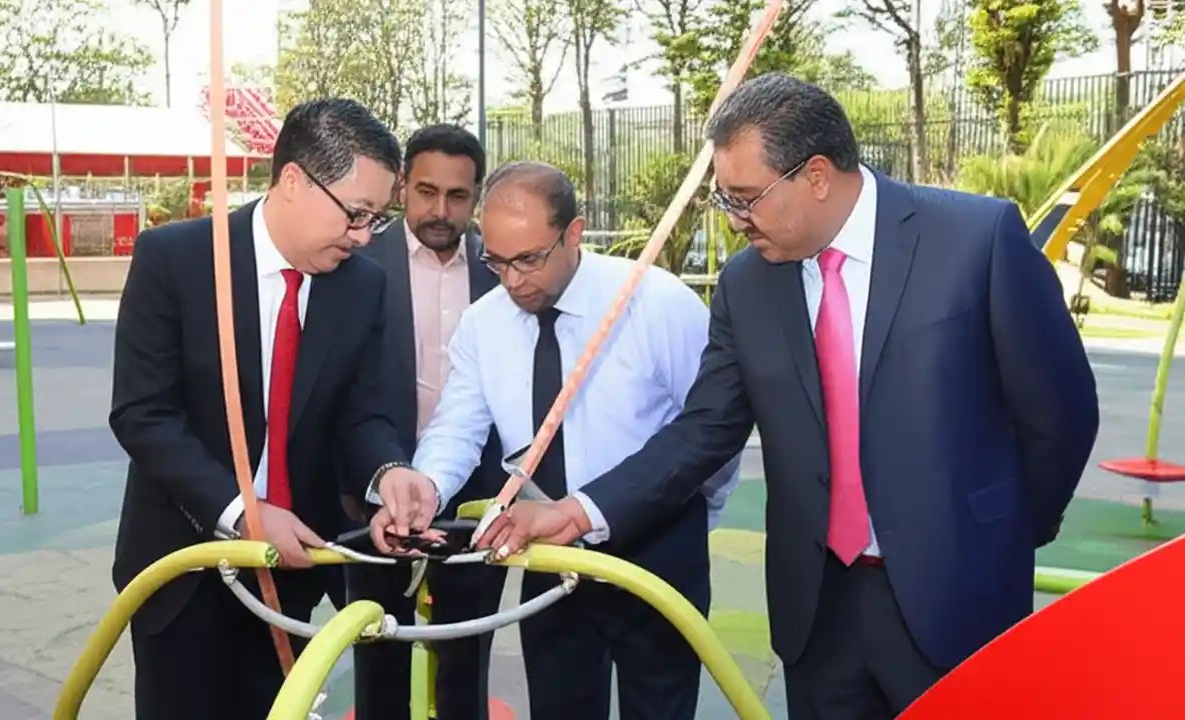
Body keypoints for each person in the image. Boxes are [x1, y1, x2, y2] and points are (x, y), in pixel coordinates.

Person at [473, 73, 1101, 718]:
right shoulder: (748, 285)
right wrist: (576, 512)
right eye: (726, 199)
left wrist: (1010, 529)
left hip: (958, 597)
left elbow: (1060, 412)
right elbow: (703, 430)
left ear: (818, 176)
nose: (735, 219)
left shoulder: (975, 240)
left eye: (746, 198)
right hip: (818, 609)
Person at [365, 161, 741, 720]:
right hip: (545, 546)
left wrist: (690, 517)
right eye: (496, 260)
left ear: (574, 233)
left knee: (660, 705)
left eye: (529, 259)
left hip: (657, 543)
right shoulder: (483, 322)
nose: (512, 279)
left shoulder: (657, 303)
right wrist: (427, 486)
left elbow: (713, 432)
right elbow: (459, 426)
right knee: (560, 703)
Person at [109, 97, 432, 719]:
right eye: (357, 213)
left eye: (377, 219)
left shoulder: (362, 285)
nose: (364, 236)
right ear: (293, 180)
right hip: (182, 568)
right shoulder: (177, 261)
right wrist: (243, 512)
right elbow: (143, 415)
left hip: (293, 570)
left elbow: (359, 415)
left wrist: (389, 472)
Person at [342, 123, 506, 720]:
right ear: (403, 186)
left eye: (459, 196)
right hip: (373, 500)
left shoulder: (502, 267)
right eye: (427, 191)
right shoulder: (356, 262)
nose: (441, 210)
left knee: (467, 657)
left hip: (476, 503)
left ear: (477, 195)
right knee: (378, 650)